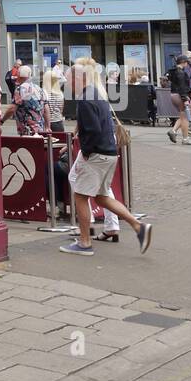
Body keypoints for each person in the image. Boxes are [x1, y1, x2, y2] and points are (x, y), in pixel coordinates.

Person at [60, 73, 152, 257]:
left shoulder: (86, 100)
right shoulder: (97, 95)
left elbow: (93, 129)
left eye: (70, 78)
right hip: (109, 153)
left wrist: (86, 152)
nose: (67, 82)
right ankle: (138, 226)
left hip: (96, 155)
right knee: (102, 197)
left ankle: (85, 243)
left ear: (81, 79)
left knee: (80, 196)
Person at [0, 64, 50, 136]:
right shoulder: (40, 89)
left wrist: (2, 120)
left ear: (19, 76)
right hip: (40, 129)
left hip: (27, 129)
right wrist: (48, 126)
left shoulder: (20, 89)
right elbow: (46, 109)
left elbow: (12, 109)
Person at [167, 55, 191, 145]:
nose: (187, 64)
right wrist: (185, 98)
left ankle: (173, 131)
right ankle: (185, 139)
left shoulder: (173, 71)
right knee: (185, 118)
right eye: (186, 62)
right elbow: (182, 86)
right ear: (184, 62)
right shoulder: (181, 73)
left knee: (182, 115)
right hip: (180, 95)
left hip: (173, 95)